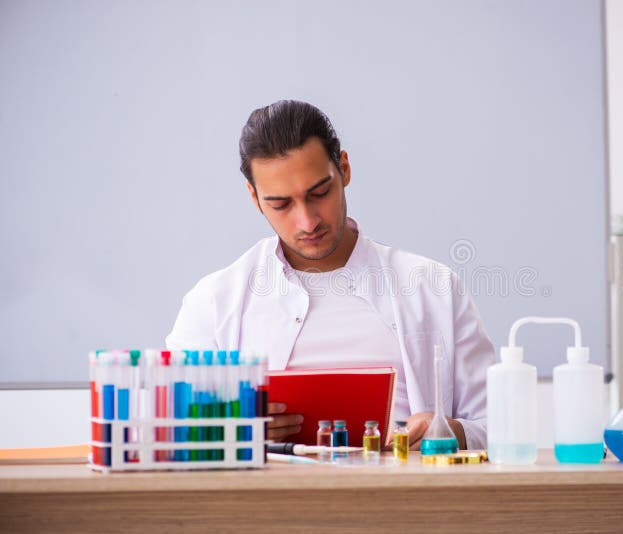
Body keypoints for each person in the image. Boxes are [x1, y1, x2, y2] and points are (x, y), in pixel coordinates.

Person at [166, 100, 495, 450]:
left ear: (345, 169)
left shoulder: (434, 288)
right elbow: (169, 430)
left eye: (319, 193)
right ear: (254, 197)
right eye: (281, 205)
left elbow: (499, 426)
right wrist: (232, 431)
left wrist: (451, 431)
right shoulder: (214, 302)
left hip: (403, 498)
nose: (307, 221)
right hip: (267, 502)